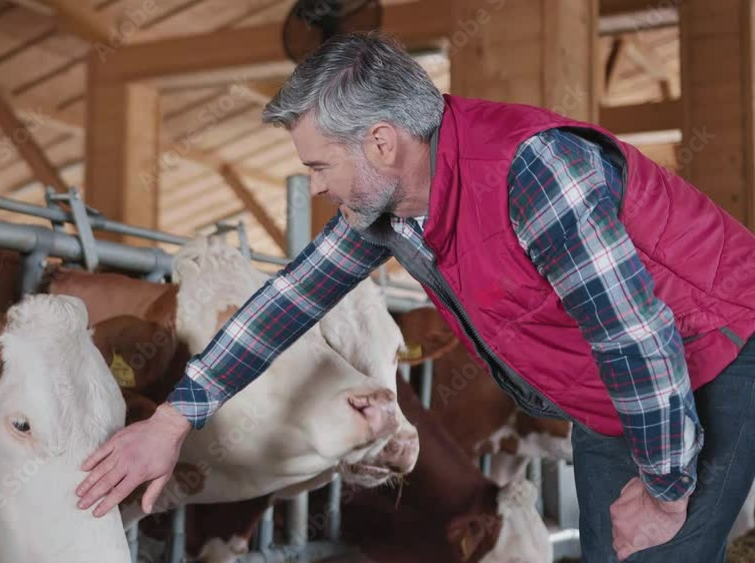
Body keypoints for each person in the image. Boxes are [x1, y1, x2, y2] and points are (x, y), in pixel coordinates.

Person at [74, 32, 755, 561]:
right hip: (610, 391)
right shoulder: (394, 204)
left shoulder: (536, 173)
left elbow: (635, 337)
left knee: (655, 543)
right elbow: (289, 300)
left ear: (380, 142)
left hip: (712, 356)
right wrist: (169, 423)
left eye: (319, 166)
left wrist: (668, 491)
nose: (314, 186)